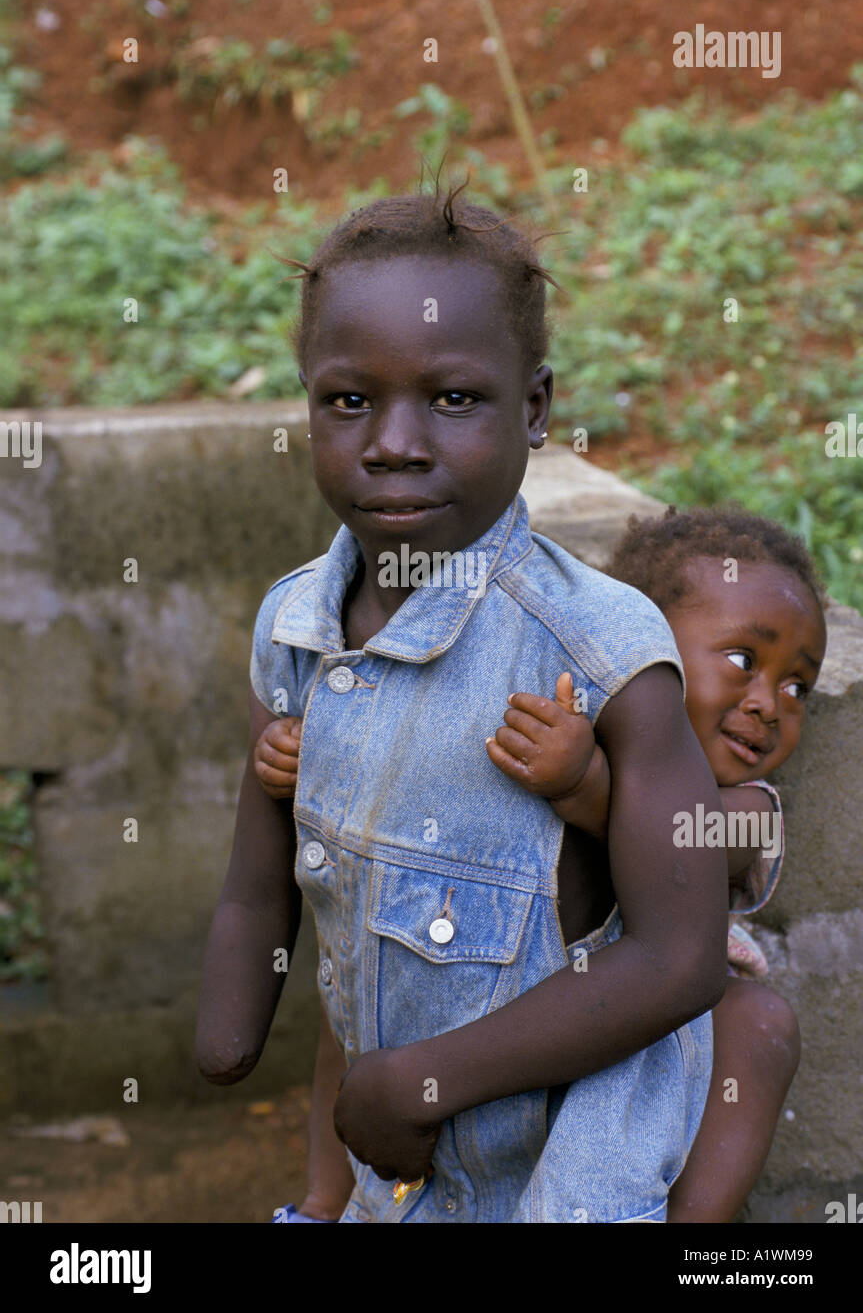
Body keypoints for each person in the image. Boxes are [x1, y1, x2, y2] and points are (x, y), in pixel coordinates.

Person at [195, 183, 730, 1223]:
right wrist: (228, 1030)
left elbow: (679, 956)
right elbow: (259, 876)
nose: (392, 440)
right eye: (348, 400)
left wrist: (420, 1077)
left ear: (532, 408)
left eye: (451, 399)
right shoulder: (294, 629)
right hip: (394, 1179)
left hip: (568, 1174)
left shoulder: (602, 650)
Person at [256, 505, 827, 1223]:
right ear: (632, 643)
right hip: (495, 1003)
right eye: (745, 660)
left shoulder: (746, 807)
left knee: (757, 1024)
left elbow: (689, 840)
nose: (769, 704)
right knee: (362, 987)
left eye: (796, 686)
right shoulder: (568, 703)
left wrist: (585, 785)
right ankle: (323, 1203)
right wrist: (308, 757)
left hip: (645, 1047)